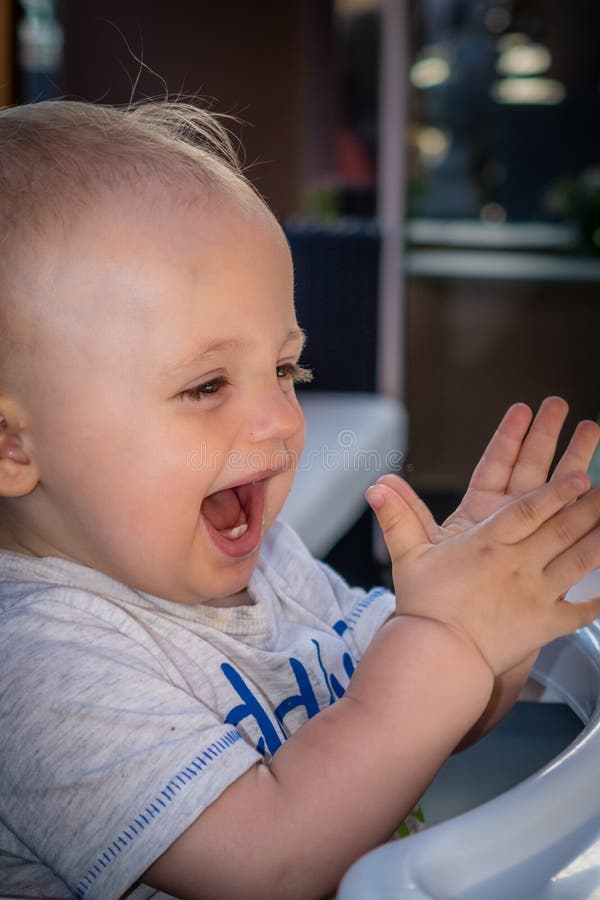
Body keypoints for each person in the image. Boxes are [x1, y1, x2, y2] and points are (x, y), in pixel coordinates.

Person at [0, 99, 598, 900]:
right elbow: (270, 864)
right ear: (13, 445)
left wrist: (491, 626)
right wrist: (442, 637)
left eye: (286, 370)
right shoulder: (41, 671)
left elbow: (410, 736)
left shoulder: (273, 559)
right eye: (206, 384)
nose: (282, 419)